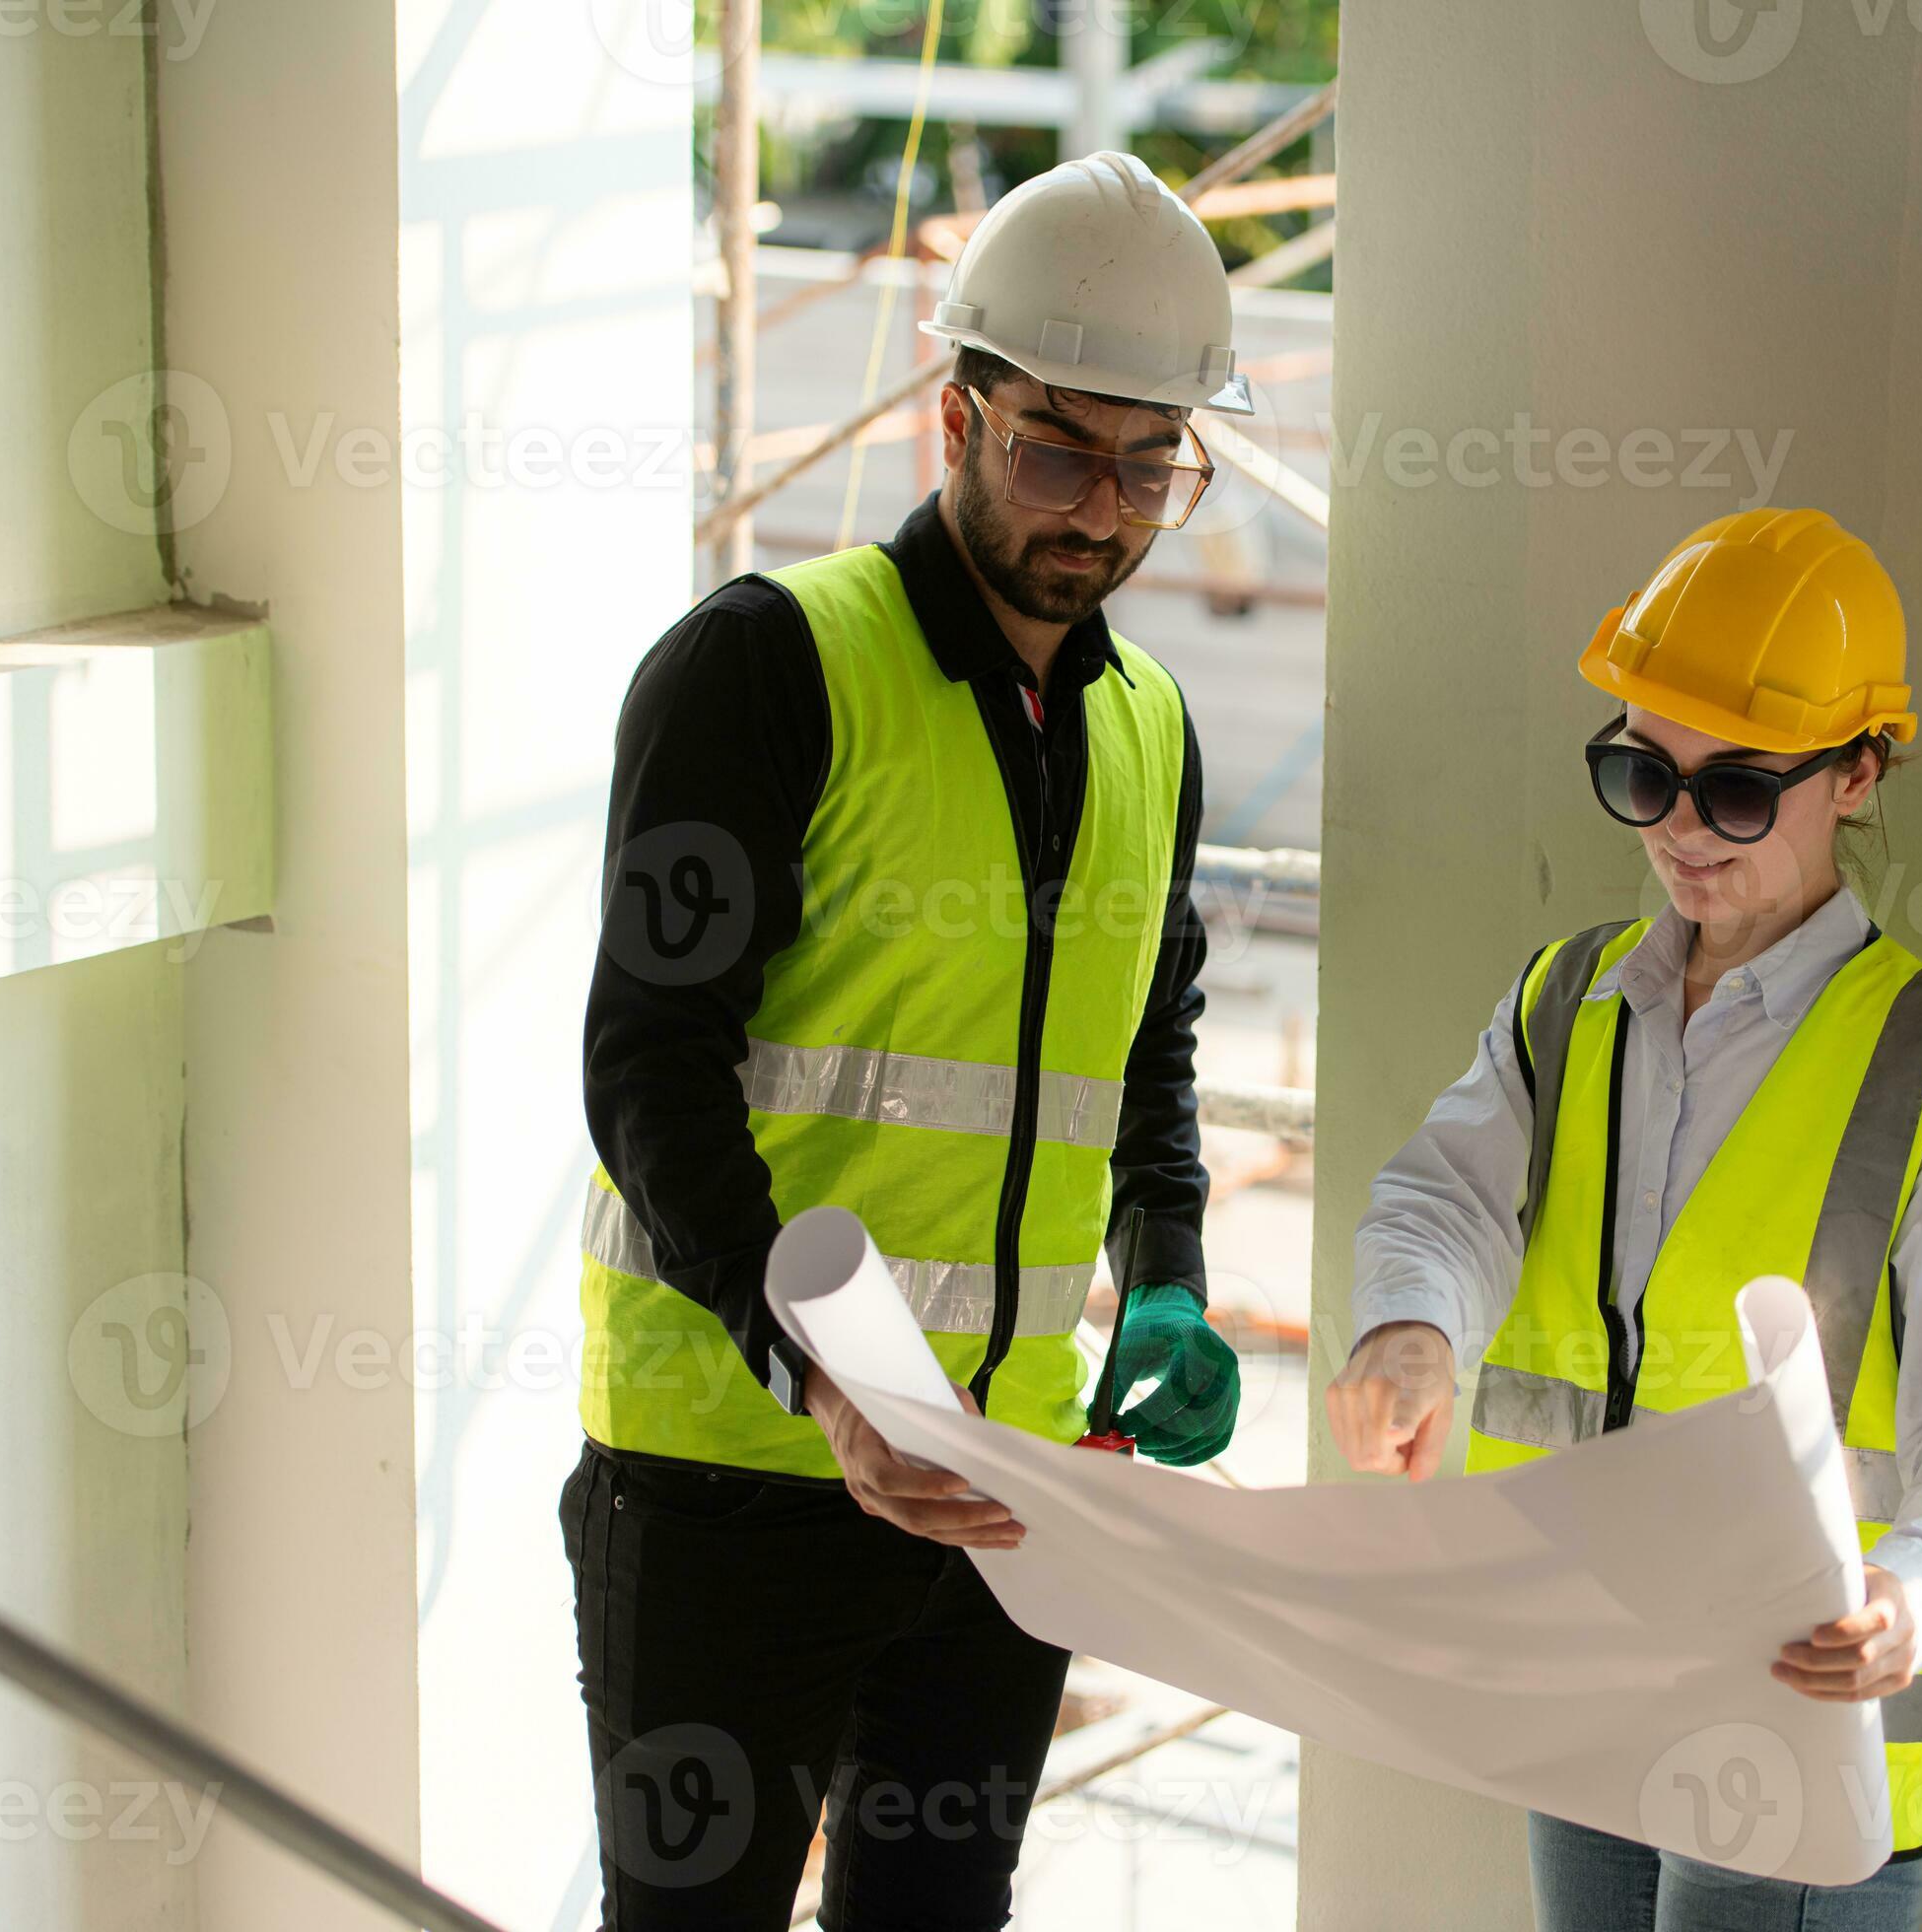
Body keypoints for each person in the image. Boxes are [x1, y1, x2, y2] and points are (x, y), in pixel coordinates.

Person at [565, 151, 1247, 1929]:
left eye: (1152, 458)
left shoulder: (1155, 731)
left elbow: (1145, 1060)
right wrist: (819, 1375)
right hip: (736, 1473)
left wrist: (1165, 1270)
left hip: (1007, 1489)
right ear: (957, 417)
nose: (1101, 506)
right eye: (1058, 444)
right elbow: (648, 1066)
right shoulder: (760, 670)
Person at [1326, 510, 1922, 1931]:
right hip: (1587, 1694)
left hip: (1792, 1714)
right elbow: (1447, 1197)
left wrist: (1912, 1600)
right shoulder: (1570, 1002)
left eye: (1737, 791)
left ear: (1858, 773)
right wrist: (1418, 1330)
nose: (1679, 828)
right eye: (1640, 773)